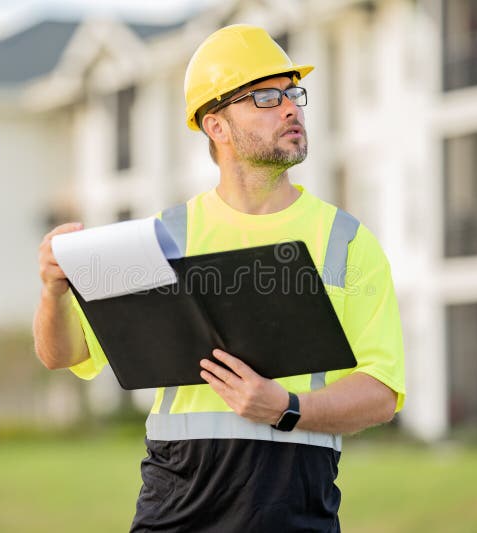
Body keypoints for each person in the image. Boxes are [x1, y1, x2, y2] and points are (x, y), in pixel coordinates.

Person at [33, 24, 405, 532]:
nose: (291, 108)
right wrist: (54, 291)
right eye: (267, 98)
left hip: (293, 503)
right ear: (217, 127)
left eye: (293, 93)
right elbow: (63, 354)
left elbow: (382, 393)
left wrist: (286, 408)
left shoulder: (346, 242)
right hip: (176, 503)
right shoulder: (162, 238)